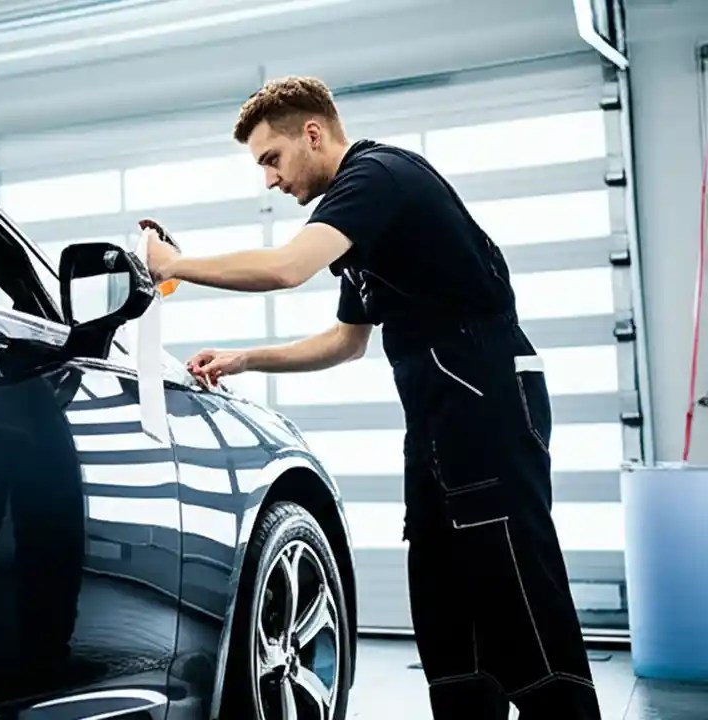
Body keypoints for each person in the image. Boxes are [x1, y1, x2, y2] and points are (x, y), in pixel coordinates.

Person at [140, 76, 602, 719]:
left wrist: (174, 265)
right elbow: (346, 341)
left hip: (487, 397)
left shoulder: (377, 178)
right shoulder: (361, 220)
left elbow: (284, 268)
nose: (269, 181)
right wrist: (246, 359)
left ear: (313, 132)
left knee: (512, 581)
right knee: (445, 591)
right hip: (439, 415)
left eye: (270, 160)